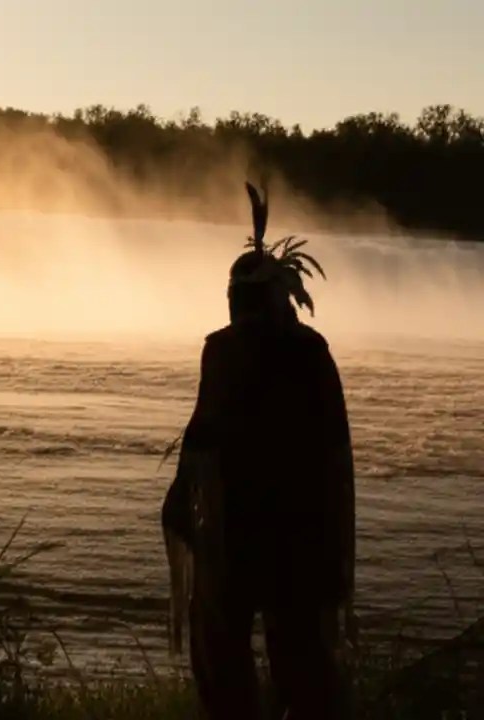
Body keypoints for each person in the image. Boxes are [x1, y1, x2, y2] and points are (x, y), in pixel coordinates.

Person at [162, 183, 358, 719]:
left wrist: (185, 500)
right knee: (284, 654)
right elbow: (205, 434)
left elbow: (207, 435)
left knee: (267, 654)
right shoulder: (290, 350)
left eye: (240, 299)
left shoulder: (235, 350)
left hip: (263, 529)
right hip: (276, 528)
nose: (236, 309)